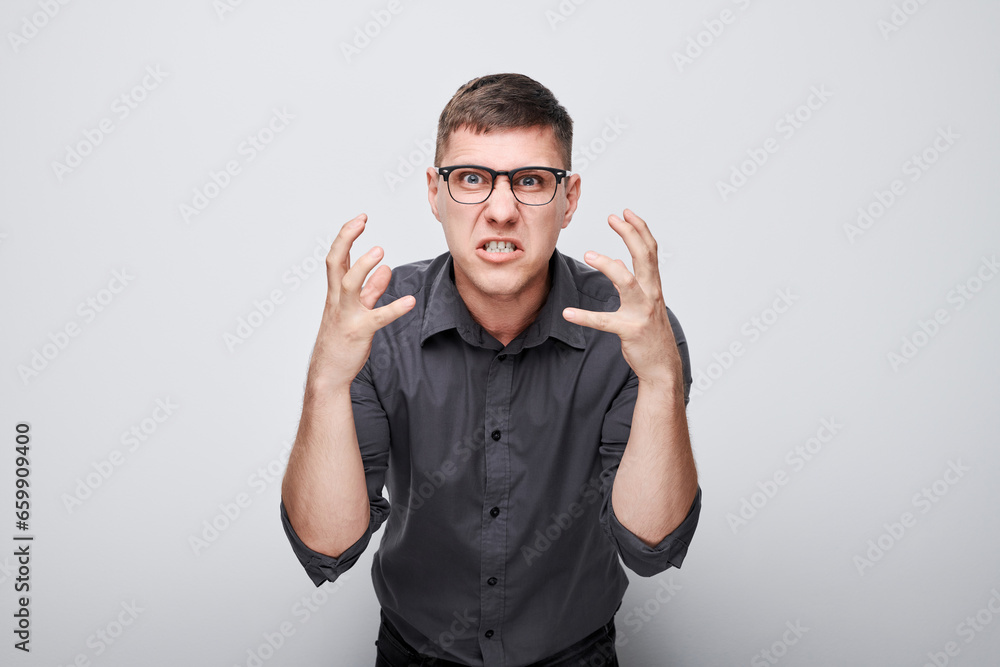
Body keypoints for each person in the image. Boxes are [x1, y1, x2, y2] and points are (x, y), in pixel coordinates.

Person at [280, 72, 701, 667]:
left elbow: (651, 547)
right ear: (435, 192)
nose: (501, 211)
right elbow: (326, 546)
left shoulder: (633, 331)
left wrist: (661, 380)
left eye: (531, 181)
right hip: (415, 652)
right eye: (472, 178)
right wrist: (325, 381)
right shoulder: (374, 325)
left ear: (569, 199)